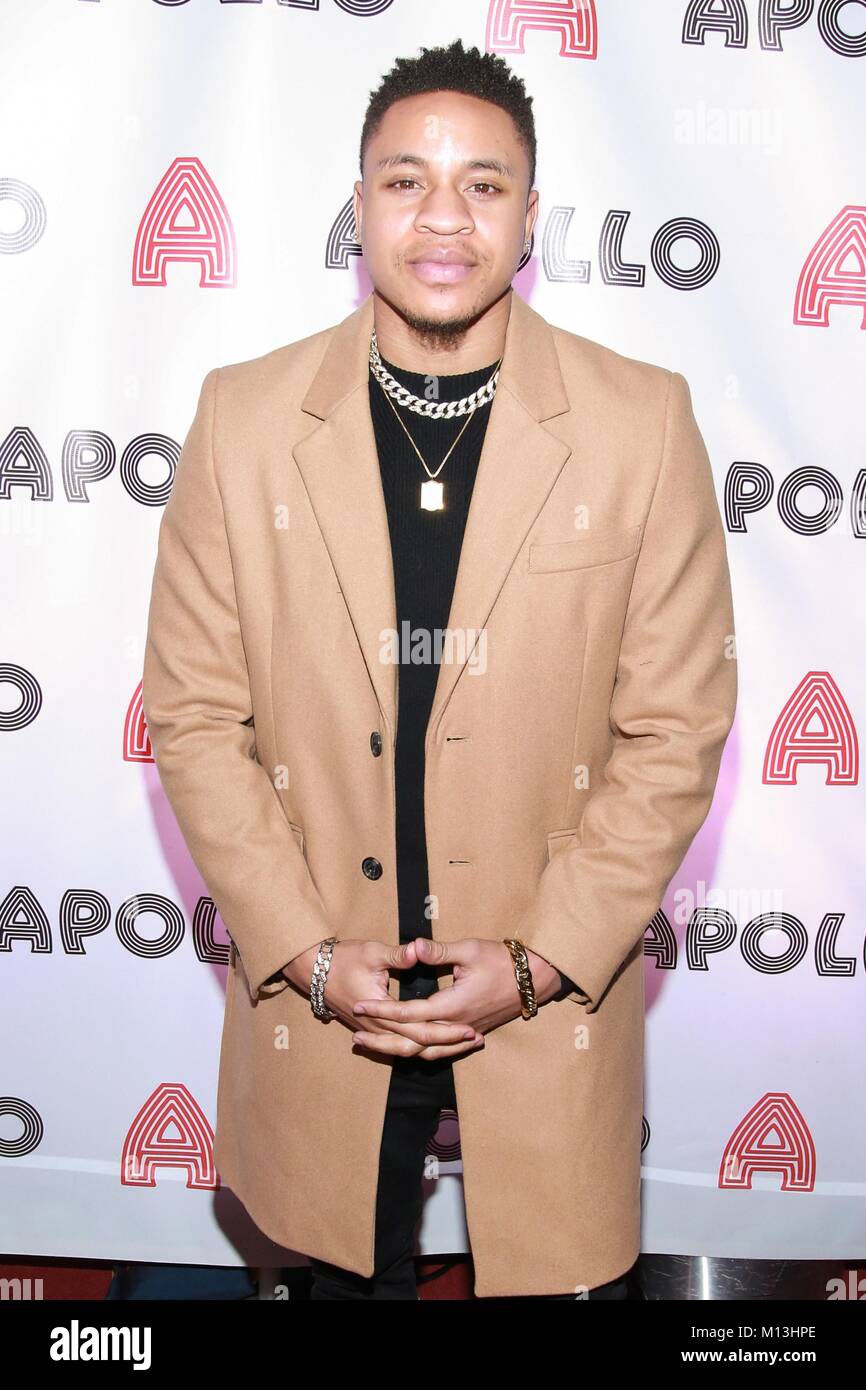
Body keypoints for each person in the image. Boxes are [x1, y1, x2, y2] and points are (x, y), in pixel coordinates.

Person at [142, 38, 737, 1300]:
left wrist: (534, 961)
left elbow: (675, 732)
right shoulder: (241, 420)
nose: (443, 218)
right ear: (357, 207)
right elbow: (193, 719)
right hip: (319, 1015)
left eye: (483, 183)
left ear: (530, 215)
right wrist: (306, 952)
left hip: (544, 1012)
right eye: (405, 181)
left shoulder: (642, 422)